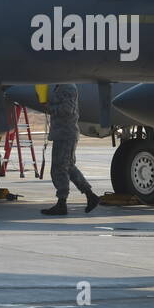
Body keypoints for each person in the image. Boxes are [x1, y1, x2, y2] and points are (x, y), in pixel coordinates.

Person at [39, 84, 100, 216]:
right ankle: (90, 196)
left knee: (59, 168)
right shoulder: (60, 86)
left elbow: (68, 109)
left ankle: (62, 203)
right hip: (62, 133)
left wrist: (48, 107)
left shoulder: (67, 87)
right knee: (68, 167)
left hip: (66, 134)